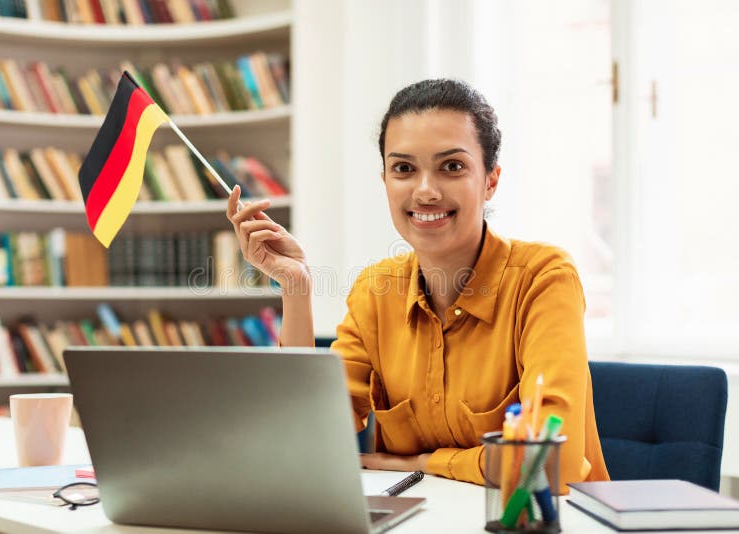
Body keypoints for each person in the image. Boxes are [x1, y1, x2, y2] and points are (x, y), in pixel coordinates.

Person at [226, 79, 609, 487]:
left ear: (491, 180)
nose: (425, 191)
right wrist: (296, 289)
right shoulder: (375, 291)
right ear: (385, 181)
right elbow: (306, 439)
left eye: (452, 166)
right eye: (404, 169)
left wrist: (428, 462)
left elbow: (550, 463)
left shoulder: (543, 279)